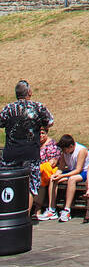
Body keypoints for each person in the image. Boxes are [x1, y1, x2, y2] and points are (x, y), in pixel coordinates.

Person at [0, 80, 54, 213]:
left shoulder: (8, 108)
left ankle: (9, 212)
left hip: (11, 152)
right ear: (29, 92)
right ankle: (26, 216)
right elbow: (50, 122)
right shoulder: (38, 107)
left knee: (9, 182)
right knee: (30, 185)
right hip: (30, 153)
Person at [38, 135, 89, 221]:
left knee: (72, 180)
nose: (64, 152)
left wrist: (62, 176)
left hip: (85, 172)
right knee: (53, 180)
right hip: (71, 171)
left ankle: (67, 210)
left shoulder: (81, 150)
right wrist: (56, 174)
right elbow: (61, 168)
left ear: (71, 146)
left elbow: (78, 170)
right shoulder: (64, 152)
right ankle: (51, 209)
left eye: (65, 150)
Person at [36, 125, 62, 214]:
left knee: (40, 181)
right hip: (38, 169)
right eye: (39, 133)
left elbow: (53, 162)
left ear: (46, 133)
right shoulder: (35, 144)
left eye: (43, 133)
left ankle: (38, 208)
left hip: (49, 170)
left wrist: (40, 168)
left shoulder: (51, 144)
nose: (40, 135)